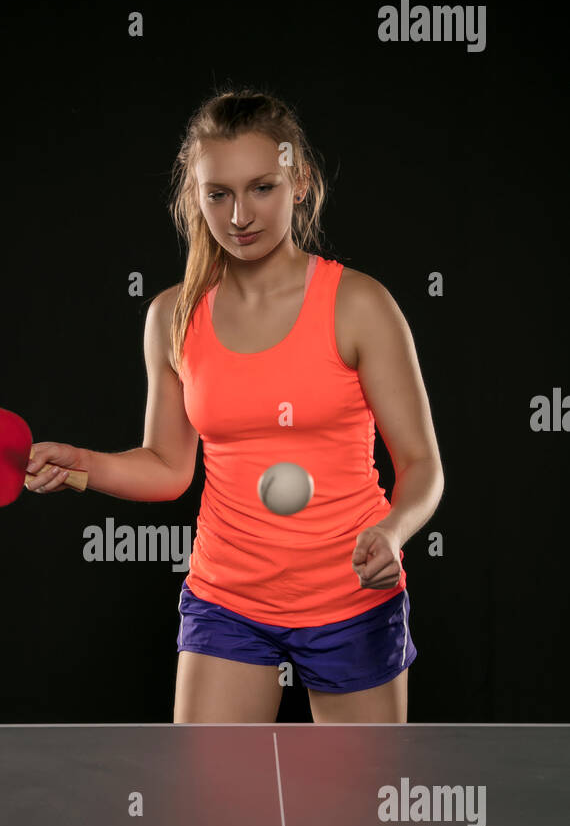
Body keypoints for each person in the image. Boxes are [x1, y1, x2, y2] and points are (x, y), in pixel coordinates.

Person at [25, 88, 444, 724]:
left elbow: (421, 465)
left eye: (261, 188)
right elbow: (169, 467)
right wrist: (80, 464)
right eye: (217, 194)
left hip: (348, 598)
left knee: (360, 816)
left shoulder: (359, 305)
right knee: (214, 814)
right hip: (228, 601)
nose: (239, 215)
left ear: (299, 181)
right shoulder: (173, 315)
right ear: (195, 197)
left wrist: (391, 532)